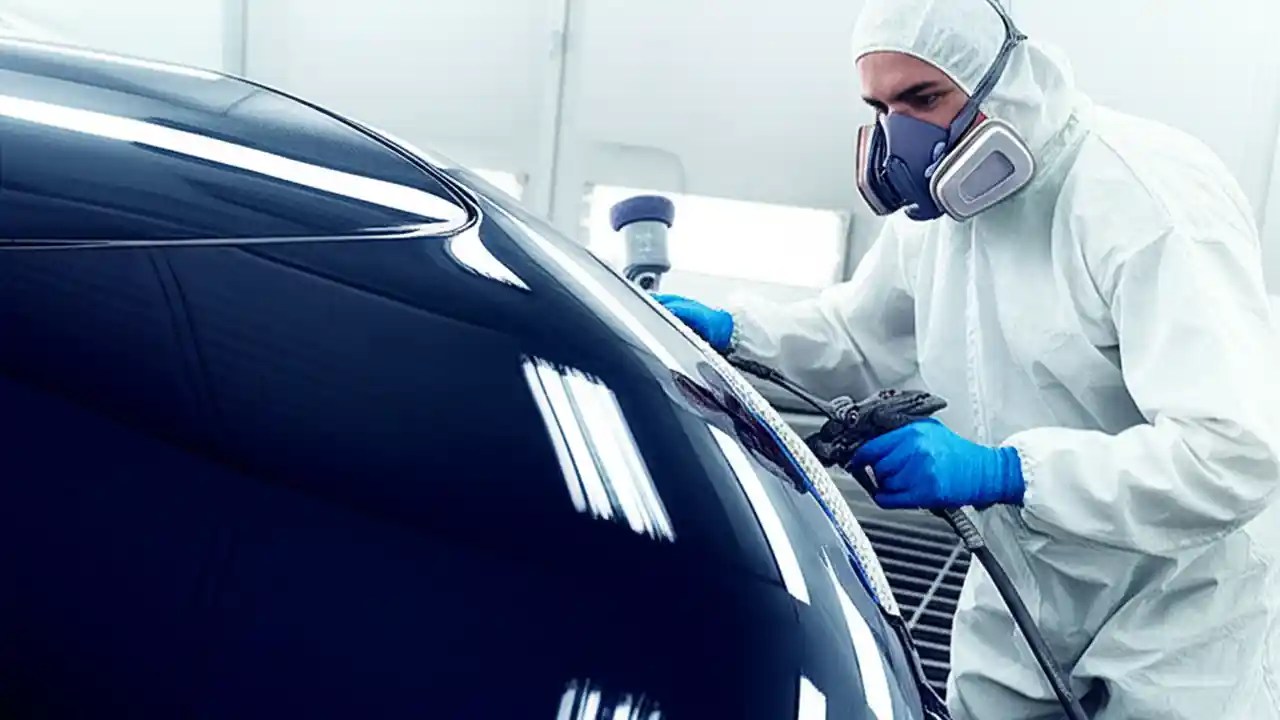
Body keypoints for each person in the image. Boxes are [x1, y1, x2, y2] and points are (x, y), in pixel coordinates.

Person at [654, 0, 1280, 717]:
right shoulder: (947, 216)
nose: (902, 137)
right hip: (1027, 575)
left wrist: (1004, 471)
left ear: (1002, 84)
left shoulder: (1141, 198)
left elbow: (1233, 456)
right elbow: (860, 335)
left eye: (923, 98)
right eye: (882, 107)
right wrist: (735, 331)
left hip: (1178, 604)